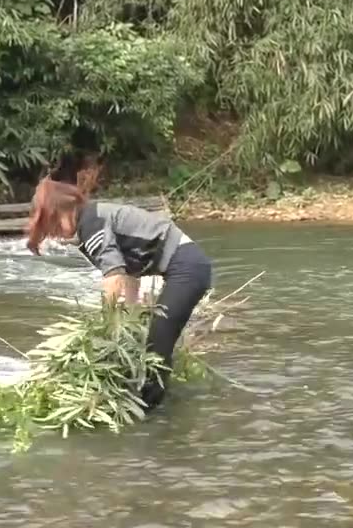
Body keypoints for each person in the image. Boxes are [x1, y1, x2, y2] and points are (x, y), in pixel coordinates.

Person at [25, 176, 213, 410]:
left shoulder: (91, 223)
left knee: (156, 344)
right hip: (186, 266)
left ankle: (152, 410)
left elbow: (113, 278)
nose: (54, 234)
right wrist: (129, 320)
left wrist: (107, 328)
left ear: (62, 212)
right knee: (152, 340)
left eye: (52, 226)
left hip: (187, 267)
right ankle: (155, 400)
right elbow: (129, 273)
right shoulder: (92, 219)